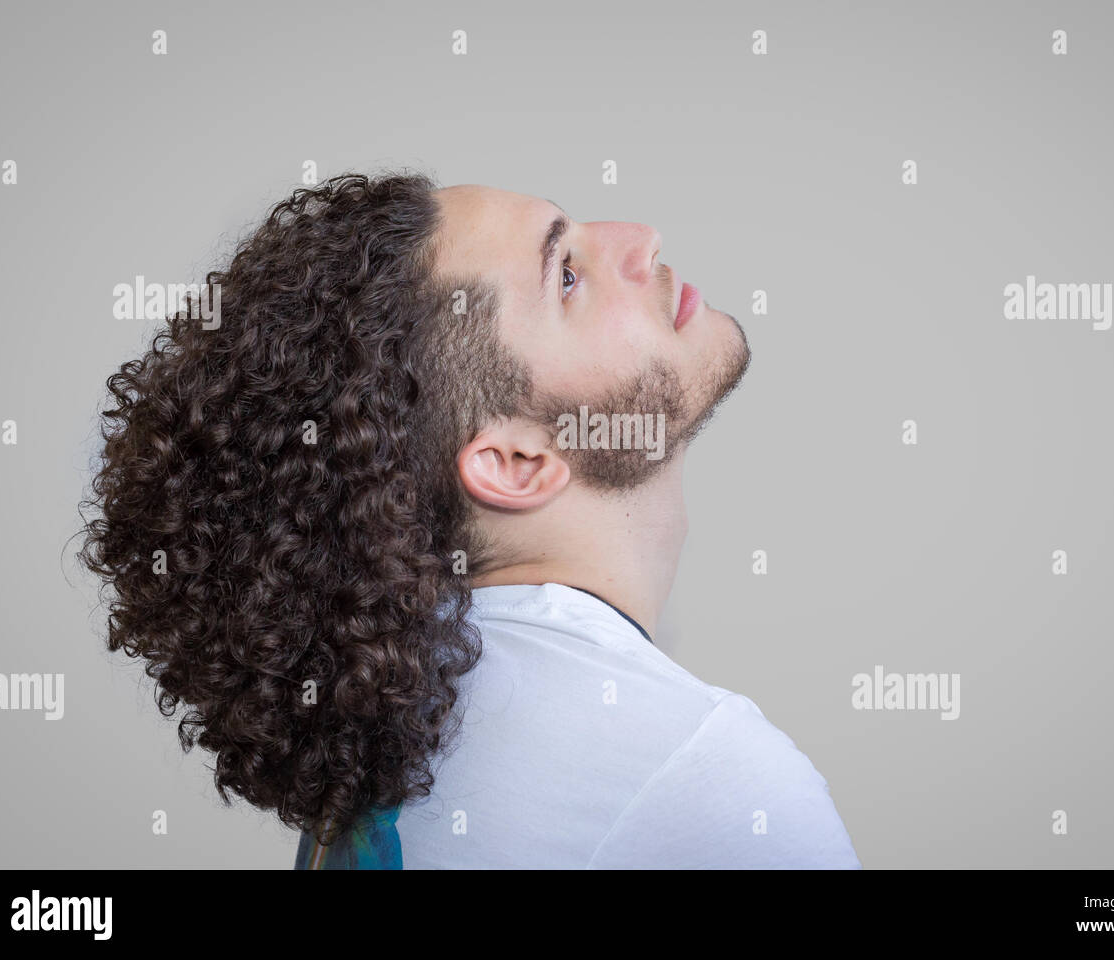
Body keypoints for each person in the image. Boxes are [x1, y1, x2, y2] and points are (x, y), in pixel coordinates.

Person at [81, 171, 860, 869]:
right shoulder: (700, 776)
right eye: (566, 276)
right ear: (515, 461)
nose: (640, 239)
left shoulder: (396, 724)